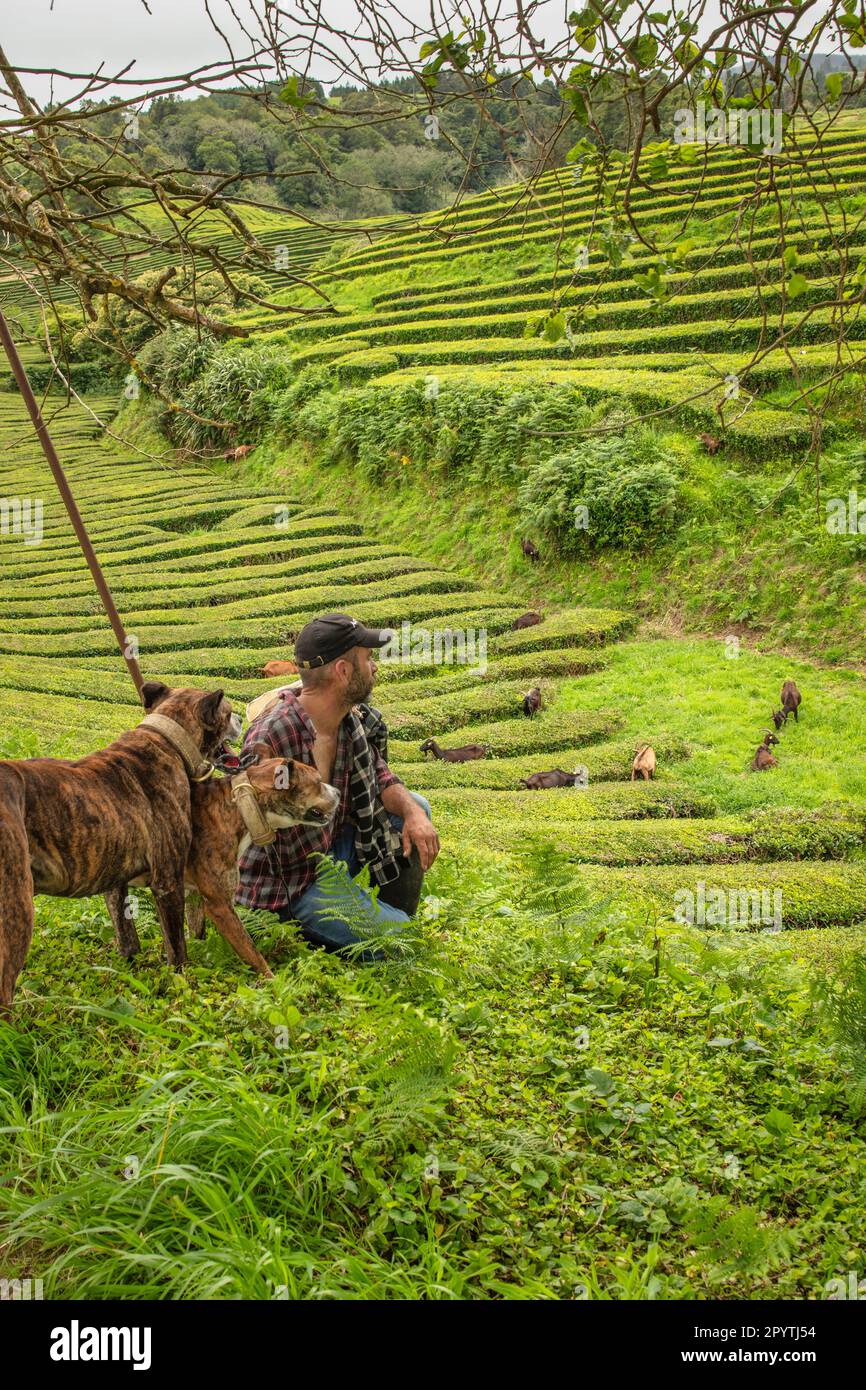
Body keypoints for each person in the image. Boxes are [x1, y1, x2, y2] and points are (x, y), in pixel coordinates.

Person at [235, 612, 440, 959]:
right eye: (367, 659)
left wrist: (411, 813)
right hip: (291, 882)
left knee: (416, 806)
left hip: (330, 849)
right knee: (403, 942)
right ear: (343, 671)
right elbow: (245, 818)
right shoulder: (274, 734)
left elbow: (382, 778)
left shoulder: (348, 720)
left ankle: (387, 917)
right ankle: (347, 928)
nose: (374, 668)